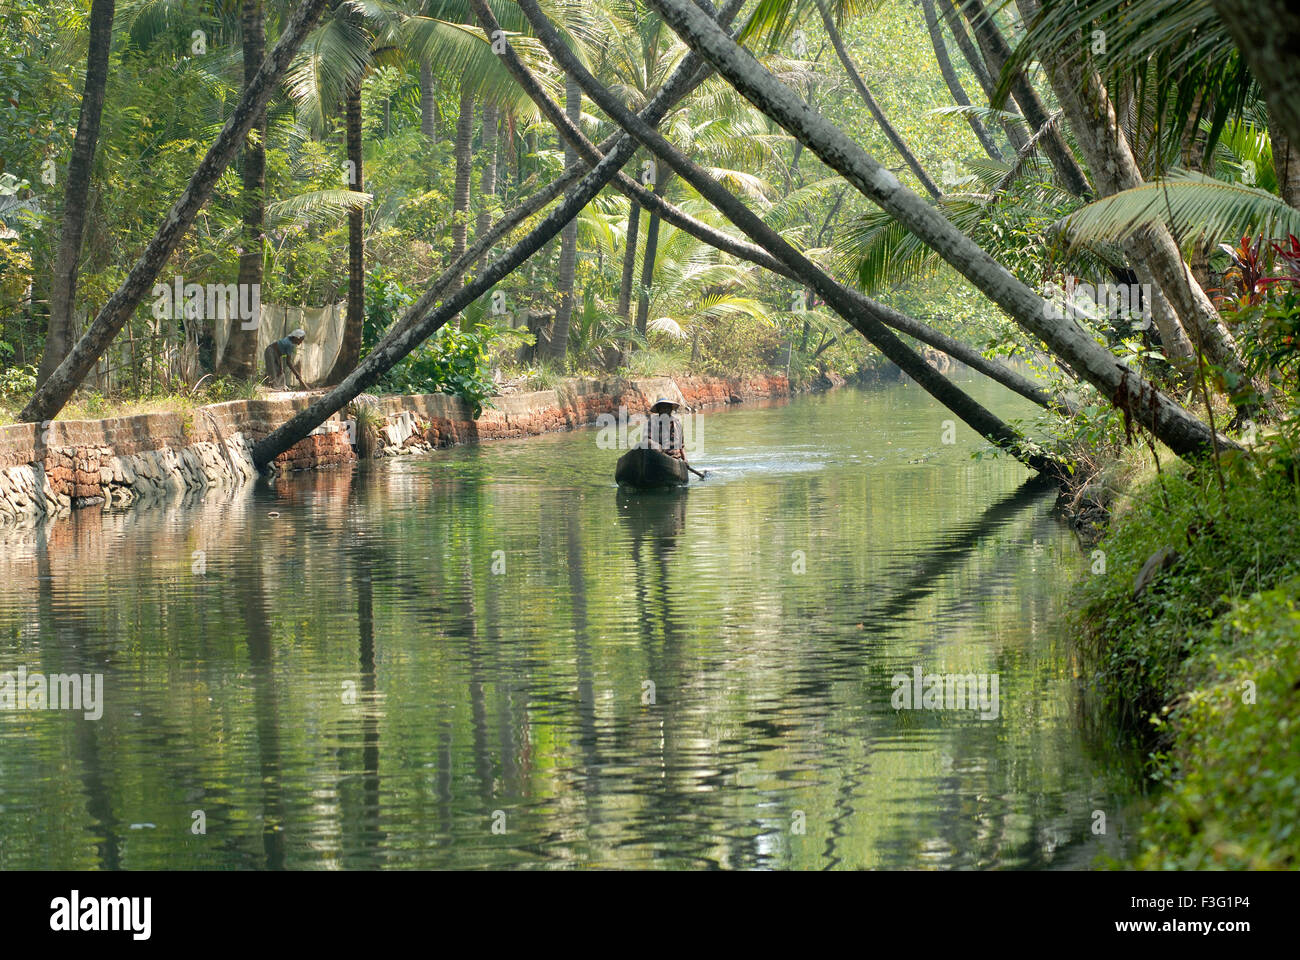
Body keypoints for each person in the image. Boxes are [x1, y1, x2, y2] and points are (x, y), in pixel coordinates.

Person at [647, 397, 688, 463]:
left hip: (676, 460)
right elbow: (647, 441)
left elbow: (681, 446)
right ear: (659, 410)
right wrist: (658, 448)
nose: (665, 410)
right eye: (662, 408)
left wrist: (685, 460)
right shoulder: (652, 423)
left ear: (671, 409)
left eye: (667, 408)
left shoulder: (677, 423)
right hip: (659, 459)